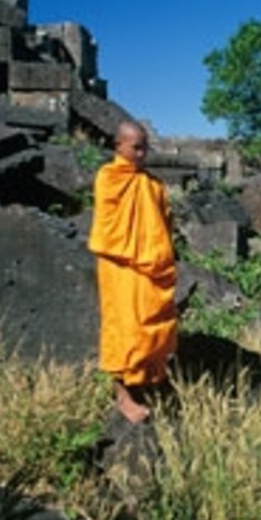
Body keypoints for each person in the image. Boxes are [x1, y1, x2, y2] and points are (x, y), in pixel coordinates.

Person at [88, 120, 178, 423]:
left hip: (152, 268)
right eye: (136, 147)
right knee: (125, 331)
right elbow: (109, 227)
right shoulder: (109, 177)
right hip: (121, 266)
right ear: (119, 146)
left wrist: (161, 255)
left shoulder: (153, 184)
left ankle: (146, 384)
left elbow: (164, 225)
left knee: (155, 329)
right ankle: (123, 396)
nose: (141, 154)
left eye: (145, 148)